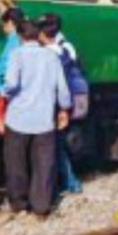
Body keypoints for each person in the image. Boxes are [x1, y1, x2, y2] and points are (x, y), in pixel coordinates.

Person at [2, 21, 72, 218]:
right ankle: (41, 206)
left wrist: (6, 92)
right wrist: (64, 109)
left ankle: (20, 204)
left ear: (21, 37)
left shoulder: (17, 55)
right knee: (44, 164)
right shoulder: (51, 56)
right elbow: (63, 89)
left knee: (16, 163)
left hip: (18, 119)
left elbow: (11, 84)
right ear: (37, 36)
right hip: (44, 120)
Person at [37, 14, 84, 196]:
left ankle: (66, 183)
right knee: (57, 144)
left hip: (53, 104)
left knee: (53, 145)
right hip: (62, 102)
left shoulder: (50, 53)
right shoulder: (66, 48)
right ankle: (70, 182)